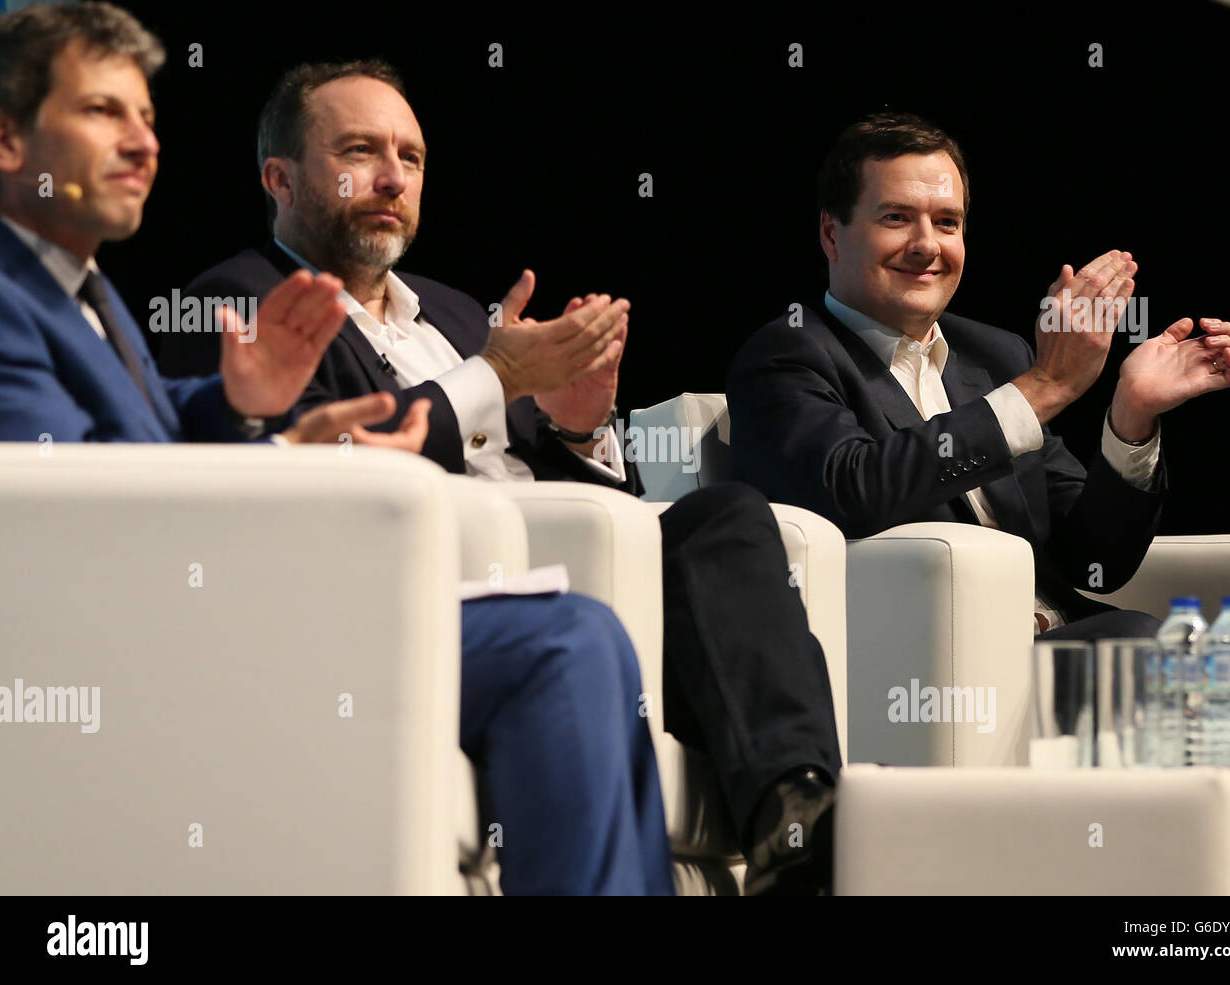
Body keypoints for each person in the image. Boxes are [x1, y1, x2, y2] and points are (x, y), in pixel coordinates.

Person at [0, 2, 671, 895]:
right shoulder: (16, 295)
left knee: (590, 633)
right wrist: (278, 452)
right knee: (565, 643)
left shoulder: (83, 289)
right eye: (102, 112)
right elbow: (59, 509)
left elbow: (142, 430)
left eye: (149, 118)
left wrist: (252, 412)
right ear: (7, 142)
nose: (143, 143)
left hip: (236, 612)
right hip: (161, 651)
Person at [175, 60, 841, 894]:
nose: (391, 177)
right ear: (280, 178)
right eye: (359, 150)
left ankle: (800, 816)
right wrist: (492, 373)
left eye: (411, 158)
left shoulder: (453, 311)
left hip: (587, 590)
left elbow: (602, 515)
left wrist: (577, 422)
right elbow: (310, 481)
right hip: (453, 605)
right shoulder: (241, 304)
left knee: (729, 516)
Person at [727, 111, 1230, 643]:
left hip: (1062, 639)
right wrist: (1044, 388)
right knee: (1136, 640)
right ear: (832, 234)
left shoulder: (994, 354)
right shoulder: (789, 353)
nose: (928, 245)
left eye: (947, 222)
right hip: (936, 666)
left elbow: (1096, 561)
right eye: (897, 218)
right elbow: (850, 491)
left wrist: (1132, 417)